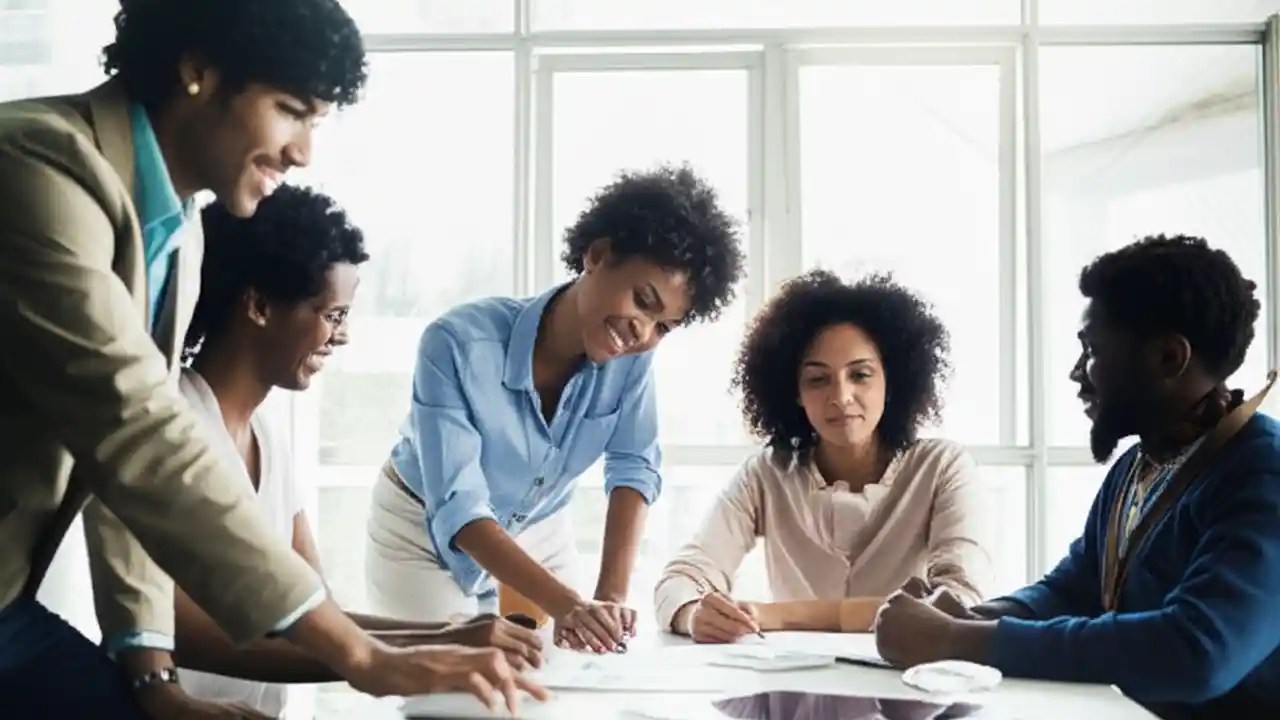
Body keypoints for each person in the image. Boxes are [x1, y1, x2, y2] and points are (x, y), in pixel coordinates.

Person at [0, 2, 543, 718]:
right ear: (197, 70)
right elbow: (134, 436)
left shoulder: (180, 232)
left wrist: (155, 685)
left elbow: (125, 486)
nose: (302, 152)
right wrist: (362, 657)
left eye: (317, 121)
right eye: (291, 112)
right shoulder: (36, 167)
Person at [172, 185, 545, 716]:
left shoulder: (268, 440)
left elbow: (315, 615)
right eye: (333, 315)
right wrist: (398, 657)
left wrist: (450, 635)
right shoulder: (176, 425)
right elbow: (175, 630)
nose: (341, 336)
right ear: (258, 306)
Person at [874, 235, 1280, 720]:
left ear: (1169, 358)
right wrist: (974, 616)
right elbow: (1073, 589)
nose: (1075, 373)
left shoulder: (1262, 471)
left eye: (1091, 349)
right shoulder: (1139, 465)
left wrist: (957, 640)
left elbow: (1198, 651)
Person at [366, 164, 746, 653]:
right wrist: (568, 603)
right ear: (597, 255)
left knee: (566, 672)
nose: (643, 332)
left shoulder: (632, 360)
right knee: (449, 673)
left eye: (664, 327)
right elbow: (458, 505)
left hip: (535, 526)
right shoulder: (457, 342)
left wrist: (608, 598)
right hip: (422, 527)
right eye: (642, 300)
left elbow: (634, 466)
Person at [654, 270, 993, 643]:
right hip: (794, 675)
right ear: (795, 392)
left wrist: (778, 616)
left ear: (891, 381)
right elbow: (681, 579)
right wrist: (693, 614)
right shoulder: (766, 474)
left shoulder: (942, 467)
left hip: (906, 675)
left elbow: (959, 601)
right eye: (818, 379)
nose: (841, 397)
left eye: (860, 375)